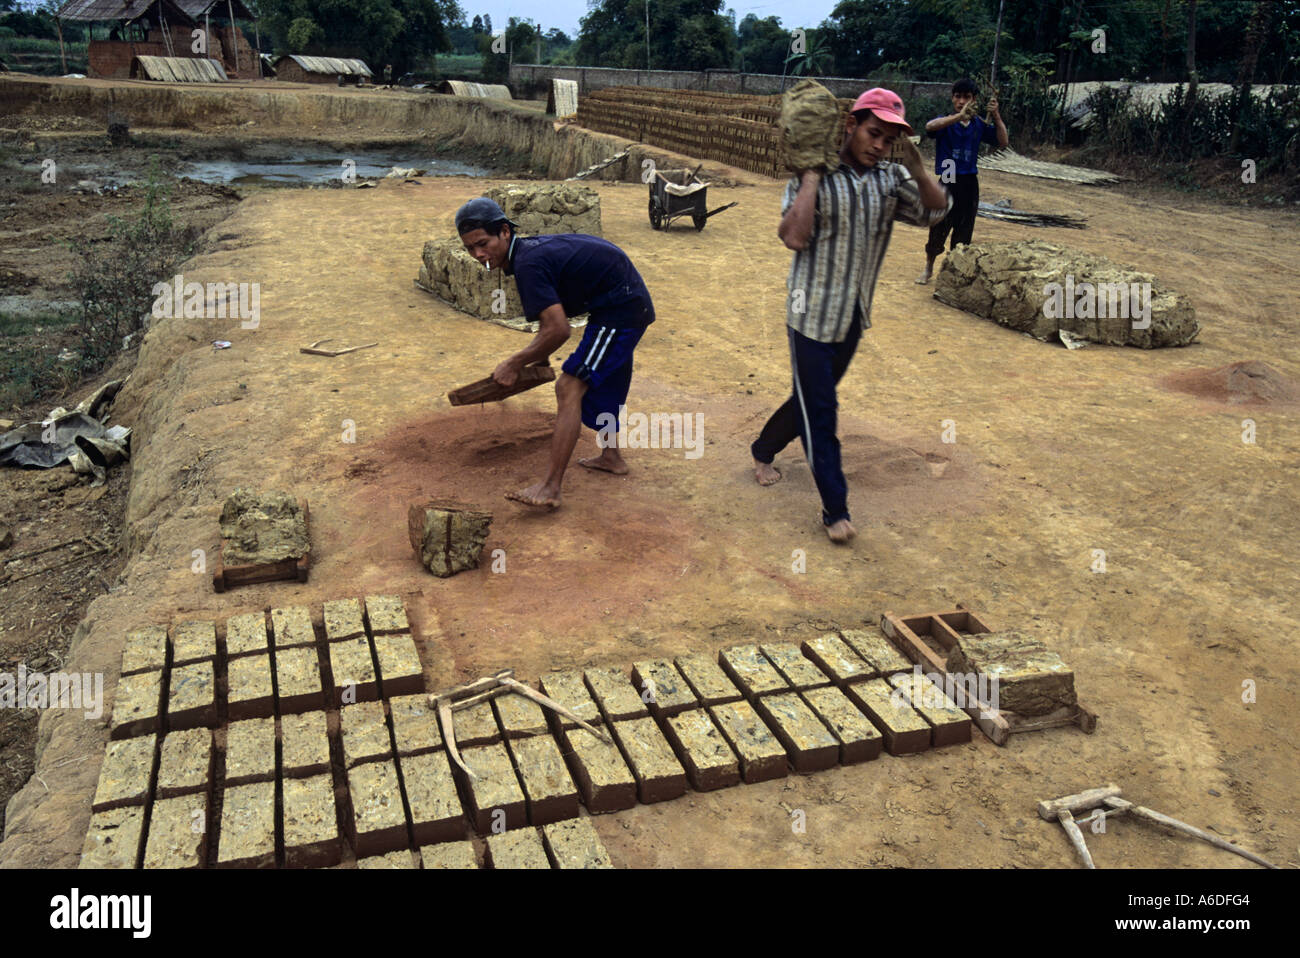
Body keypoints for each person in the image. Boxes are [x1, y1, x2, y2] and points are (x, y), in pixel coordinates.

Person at [751, 88, 950, 543]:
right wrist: (811, 177)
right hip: (809, 315)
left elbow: (937, 210)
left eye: (888, 139)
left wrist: (918, 167)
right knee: (822, 409)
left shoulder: (891, 179)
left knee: (808, 398)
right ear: (850, 126)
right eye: (872, 133)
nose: (878, 145)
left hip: (853, 316)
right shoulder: (814, 177)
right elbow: (793, 237)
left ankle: (762, 449)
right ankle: (835, 510)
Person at [455, 197, 655, 510]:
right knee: (604, 385)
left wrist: (514, 362)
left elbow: (559, 330)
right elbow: (551, 322)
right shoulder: (526, 255)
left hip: (622, 309)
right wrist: (539, 356)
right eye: (470, 248)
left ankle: (550, 487)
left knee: (569, 386)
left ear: (505, 231)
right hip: (616, 303)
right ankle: (611, 456)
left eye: (482, 243)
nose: (478, 255)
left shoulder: (528, 263)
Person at [916, 78, 1009, 285]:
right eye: (957, 97)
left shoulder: (979, 124)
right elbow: (929, 126)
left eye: (966, 97)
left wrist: (995, 114)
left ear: (974, 99)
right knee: (938, 227)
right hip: (948, 179)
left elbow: (1003, 141)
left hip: (968, 182)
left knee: (963, 231)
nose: (961, 101)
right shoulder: (947, 121)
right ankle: (928, 267)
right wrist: (958, 116)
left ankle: (951, 273)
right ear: (952, 99)